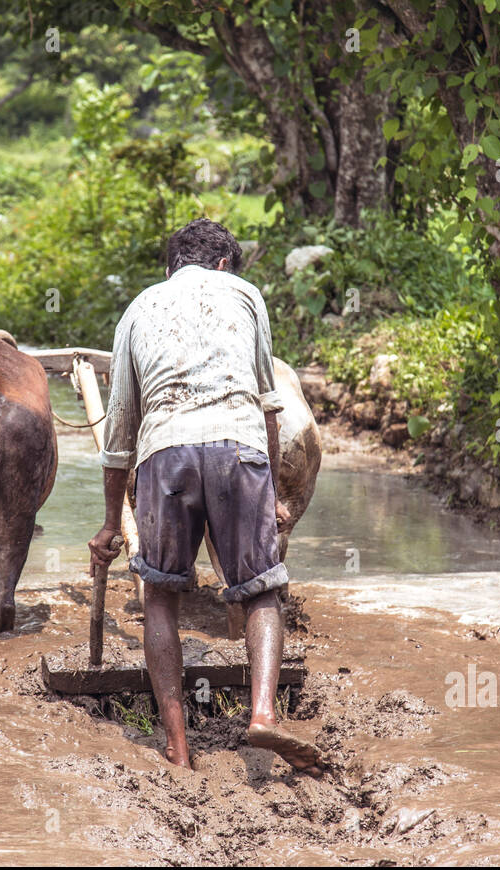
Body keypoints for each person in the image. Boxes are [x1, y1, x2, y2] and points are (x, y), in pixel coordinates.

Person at [88, 218, 322, 775]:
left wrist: (107, 525)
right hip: (239, 448)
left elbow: (119, 432)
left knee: (161, 595)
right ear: (223, 265)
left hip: (165, 454)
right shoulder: (245, 293)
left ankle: (177, 744)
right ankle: (263, 713)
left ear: (170, 268)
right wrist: (267, 495)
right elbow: (270, 402)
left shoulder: (139, 307)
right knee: (262, 592)